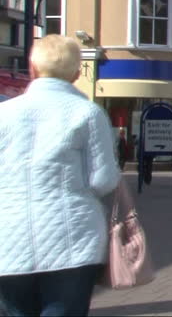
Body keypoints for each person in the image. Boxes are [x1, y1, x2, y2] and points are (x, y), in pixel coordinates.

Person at [0, 35, 121, 316]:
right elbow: (103, 180)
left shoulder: (3, 113)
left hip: (7, 238)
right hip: (73, 240)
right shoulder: (88, 113)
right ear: (77, 73)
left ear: (32, 69)